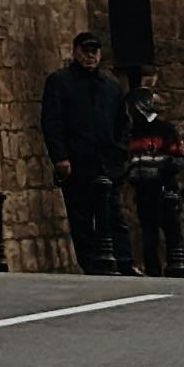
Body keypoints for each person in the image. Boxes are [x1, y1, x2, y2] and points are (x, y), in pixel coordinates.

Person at [39, 30, 134, 273]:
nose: (90, 56)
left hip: (106, 160)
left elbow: (123, 122)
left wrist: (119, 150)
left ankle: (124, 261)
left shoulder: (110, 87)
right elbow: (52, 122)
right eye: (86, 51)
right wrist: (60, 157)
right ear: (76, 52)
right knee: (81, 216)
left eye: (94, 52)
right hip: (78, 159)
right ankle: (91, 263)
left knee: (113, 214)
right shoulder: (60, 82)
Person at [124, 70, 184, 277]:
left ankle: (176, 267)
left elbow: (182, 156)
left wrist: (164, 171)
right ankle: (153, 271)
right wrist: (132, 175)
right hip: (143, 191)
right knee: (148, 233)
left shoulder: (164, 129)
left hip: (164, 189)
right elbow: (130, 159)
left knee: (171, 231)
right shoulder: (132, 133)